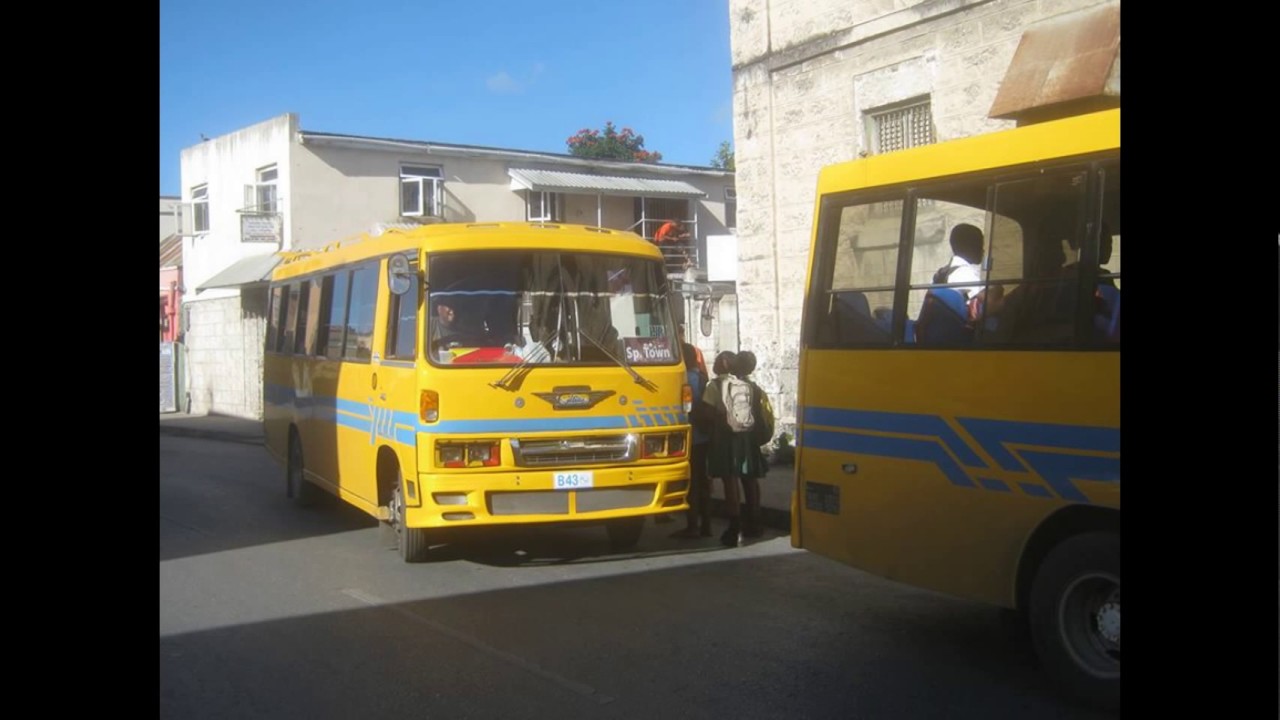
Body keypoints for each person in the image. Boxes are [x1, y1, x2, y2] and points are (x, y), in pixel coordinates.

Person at [701, 350, 764, 547]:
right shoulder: (750, 386)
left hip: (726, 439)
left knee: (730, 481)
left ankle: (734, 525)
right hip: (748, 439)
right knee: (750, 479)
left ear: (725, 363)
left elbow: (707, 413)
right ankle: (754, 521)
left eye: (719, 359)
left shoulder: (714, 386)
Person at [670, 342, 713, 538]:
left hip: (690, 438)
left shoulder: (683, 381)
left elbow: (686, 410)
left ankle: (692, 525)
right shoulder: (704, 379)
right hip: (704, 438)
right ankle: (707, 524)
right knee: (704, 481)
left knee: (692, 482)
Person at [733, 351, 770, 538]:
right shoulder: (755, 388)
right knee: (751, 481)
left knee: (743, 480)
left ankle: (750, 521)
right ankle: (755, 519)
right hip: (753, 437)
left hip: (741, 438)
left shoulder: (736, 387)